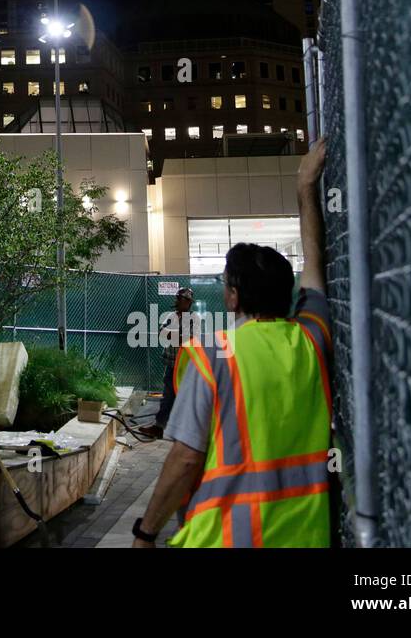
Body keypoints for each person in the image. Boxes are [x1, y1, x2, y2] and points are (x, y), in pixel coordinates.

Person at [132, 139, 334, 548]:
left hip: (224, 536)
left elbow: (186, 458)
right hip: (307, 537)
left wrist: (145, 531)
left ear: (234, 296)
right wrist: (304, 188)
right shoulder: (312, 340)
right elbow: (315, 266)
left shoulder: (213, 357)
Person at [139, 287, 194, 439]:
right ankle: (159, 427)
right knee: (168, 396)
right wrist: (178, 334)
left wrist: (174, 334)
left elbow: (189, 338)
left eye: (181, 299)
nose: (177, 301)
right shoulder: (171, 316)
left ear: (188, 302)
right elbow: (162, 333)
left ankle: (184, 432)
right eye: (178, 298)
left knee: (183, 397)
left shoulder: (193, 318)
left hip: (184, 366)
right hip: (171, 364)